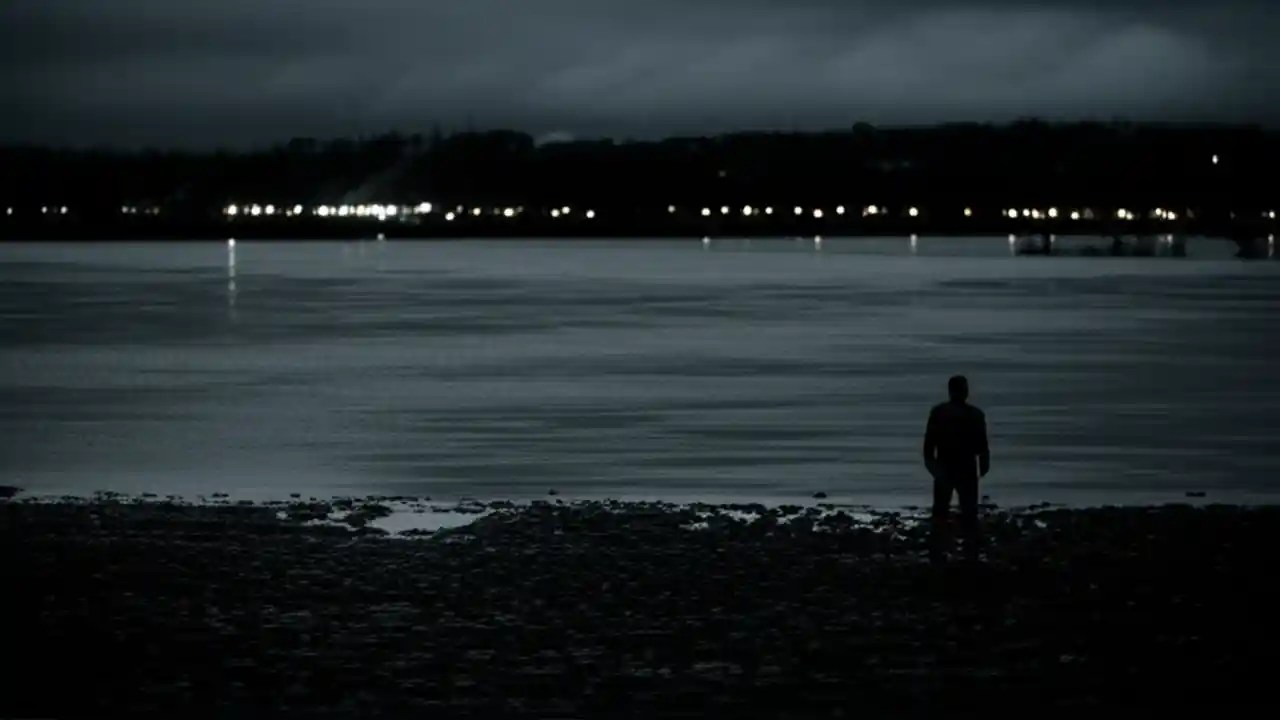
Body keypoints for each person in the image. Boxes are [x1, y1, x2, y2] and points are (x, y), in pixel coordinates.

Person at [923, 375, 990, 561]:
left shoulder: (938, 412)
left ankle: (937, 551)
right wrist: (984, 465)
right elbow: (982, 446)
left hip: (945, 465)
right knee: (968, 511)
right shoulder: (975, 414)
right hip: (966, 466)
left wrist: (932, 466)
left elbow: (929, 445)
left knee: (941, 511)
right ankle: (970, 552)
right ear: (965, 391)